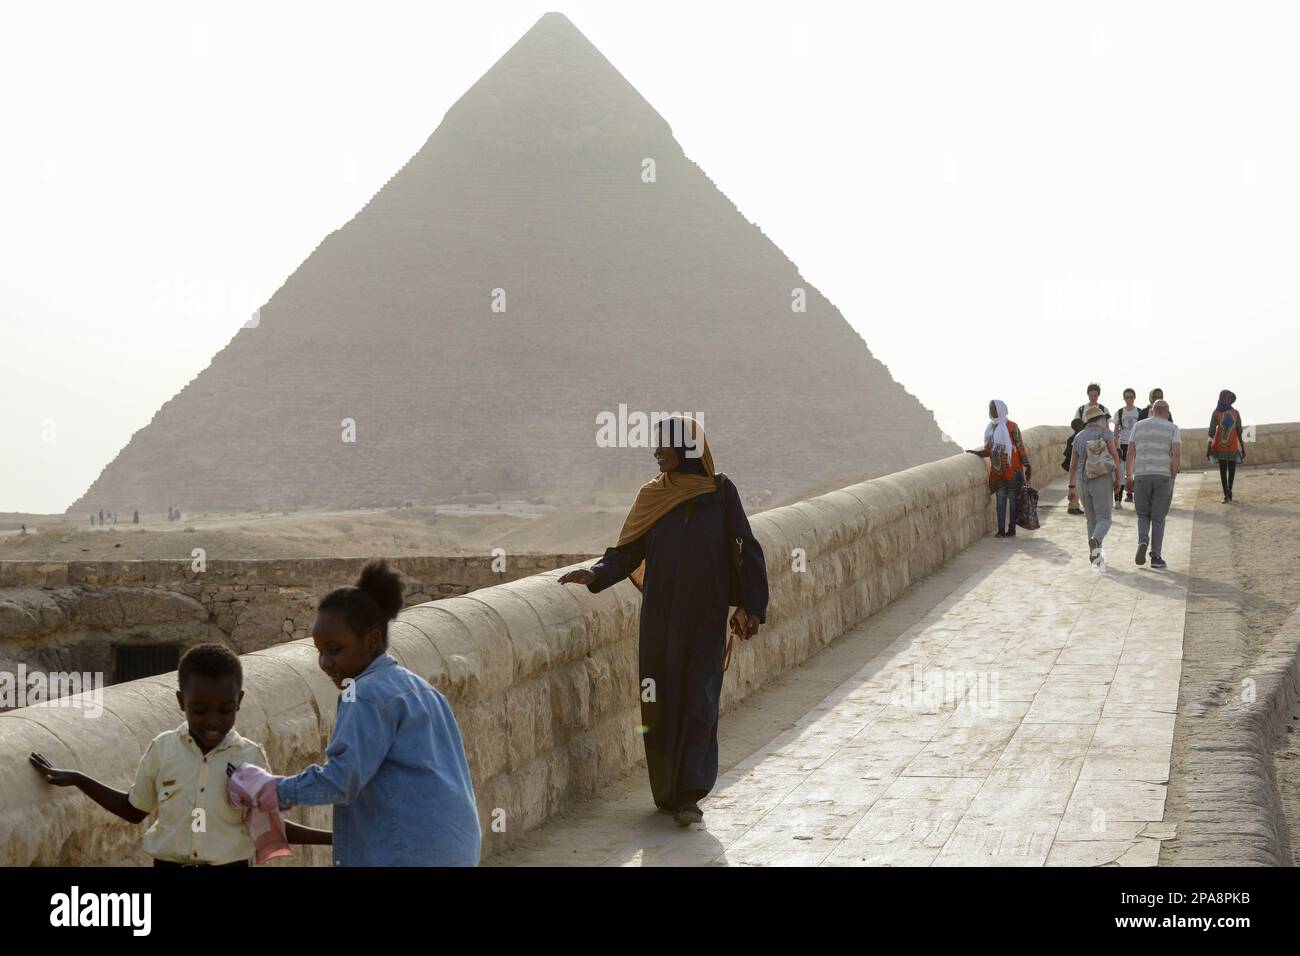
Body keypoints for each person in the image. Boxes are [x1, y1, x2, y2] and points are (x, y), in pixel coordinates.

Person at [559, 416, 769, 827]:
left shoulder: (720, 492)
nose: (656, 452)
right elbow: (627, 552)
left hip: (706, 617)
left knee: (699, 699)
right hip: (659, 619)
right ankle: (666, 791)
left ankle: (690, 794)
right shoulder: (651, 498)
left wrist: (750, 605)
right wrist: (597, 573)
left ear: (689, 449)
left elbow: (745, 547)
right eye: (655, 444)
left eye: (664, 445)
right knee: (657, 701)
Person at [29, 643, 331, 865]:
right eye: (199, 710)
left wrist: (333, 837)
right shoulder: (163, 750)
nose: (213, 721)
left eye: (225, 710)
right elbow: (134, 810)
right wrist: (80, 780)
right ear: (180, 701)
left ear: (239, 701)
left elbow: (269, 825)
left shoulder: (249, 757)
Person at [272, 559, 481, 866]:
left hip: (409, 853)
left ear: (370, 641)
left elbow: (341, 780)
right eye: (320, 651)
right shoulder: (420, 689)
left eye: (335, 649)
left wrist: (272, 791)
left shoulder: (365, 695)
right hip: (452, 847)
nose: (325, 662)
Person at [1126, 399, 1181, 570]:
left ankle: (1143, 540)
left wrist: (1129, 476)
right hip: (1162, 476)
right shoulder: (1173, 428)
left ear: (1152, 411)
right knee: (1158, 518)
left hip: (1141, 475)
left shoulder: (1138, 426)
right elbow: (1176, 454)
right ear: (1167, 412)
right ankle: (1156, 557)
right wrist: (1173, 476)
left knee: (1142, 514)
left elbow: (1130, 453)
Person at [966, 399, 1031, 537]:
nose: (991, 411)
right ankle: (1001, 529)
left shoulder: (1012, 426)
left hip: (1012, 469)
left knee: (1013, 500)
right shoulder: (990, 428)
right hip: (998, 470)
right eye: (990, 408)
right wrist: (978, 453)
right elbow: (989, 449)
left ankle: (1011, 529)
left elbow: (1019, 445)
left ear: (1000, 409)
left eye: (994, 408)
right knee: (1000, 499)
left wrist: (1027, 464)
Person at [1068, 405, 1122, 568]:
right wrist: (1118, 477)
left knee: (1091, 520)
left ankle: (1097, 559)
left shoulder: (1078, 436)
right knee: (1104, 518)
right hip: (1101, 478)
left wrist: (1071, 486)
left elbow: (1073, 464)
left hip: (1081, 480)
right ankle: (1096, 540)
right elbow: (1114, 456)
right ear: (1101, 420)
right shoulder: (1106, 433)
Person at [1207, 389, 1245, 503]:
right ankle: (1226, 494)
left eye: (1229, 398)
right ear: (1221, 398)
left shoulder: (1236, 413)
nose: (1227, 399)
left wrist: (1243, 447)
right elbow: (1212, 430)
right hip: (1220, 445)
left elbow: (1239, 431)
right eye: (1225, 397)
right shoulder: (1216, 413)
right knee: (1222, 470)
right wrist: (1208, 446)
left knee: (1232, 469)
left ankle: (1230, 490)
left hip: (1233, 445)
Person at [1113, 388, 1140, 505]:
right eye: (1127, 397)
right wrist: (1115, 446)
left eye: (1131, 397)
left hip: (1137, 443)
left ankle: (1134, 495)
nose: (1129, 399)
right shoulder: (1119, 412)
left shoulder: (1139, 412)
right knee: (1121, 471)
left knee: (1136, 471)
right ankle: (1118, 499)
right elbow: (1115, 431)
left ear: (1134, 398)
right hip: (1124, 444)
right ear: (1124, 398)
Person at [1061, 418, 1086, 515]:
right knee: (1075, 487)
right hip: (1076, 466)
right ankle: (1072, 507)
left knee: (1076, 487)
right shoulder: (1078, 438)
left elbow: (1065, 453)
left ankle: (1075, 505)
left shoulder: (1071, 438)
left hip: (1074, 465)